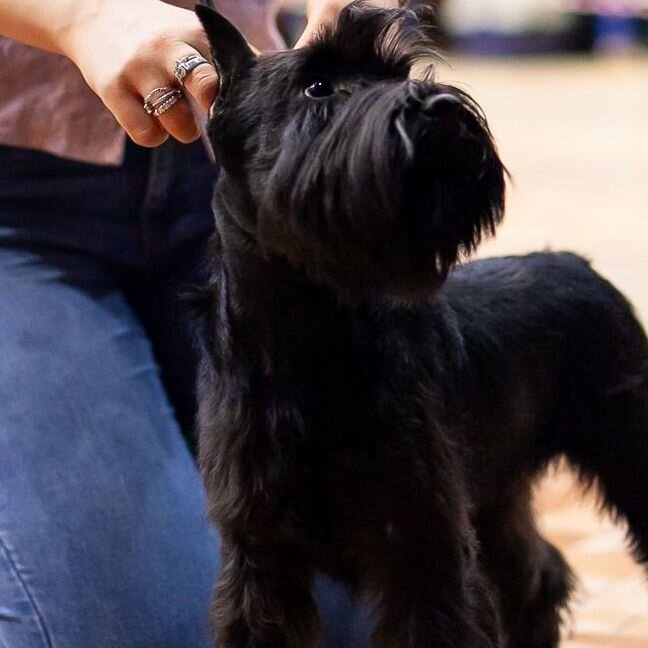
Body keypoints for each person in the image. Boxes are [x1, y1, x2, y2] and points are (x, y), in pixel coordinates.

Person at [0, 1, 395, 646]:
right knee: (137, 631)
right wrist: (80, 17)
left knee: (370, 600)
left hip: (239, 160)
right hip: (16, 193)